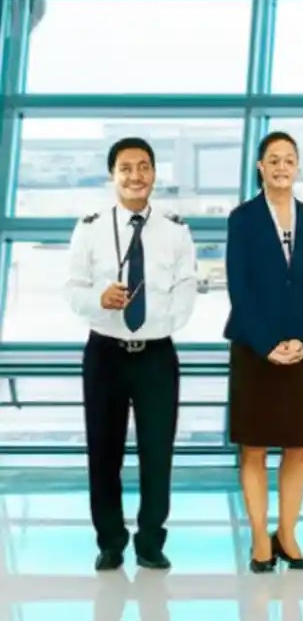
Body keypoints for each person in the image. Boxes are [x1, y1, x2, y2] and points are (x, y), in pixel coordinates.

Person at [65, 137, 197, 571]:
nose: (135, 176)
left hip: (157, 354)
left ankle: (151, 541)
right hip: (105, 353)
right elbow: (73, 288)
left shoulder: (176, 229)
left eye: (143, 167)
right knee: (104, 452)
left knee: (157, 453)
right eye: (126, 168)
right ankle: (110, 541)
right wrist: (98, 300)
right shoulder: (89, 227)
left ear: (154, 174)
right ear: (113, 175)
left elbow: (186, 288)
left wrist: (161, 321)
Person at [224, 131, 303, 573]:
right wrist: (268, 344)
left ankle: (287, 534)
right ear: (260, 167)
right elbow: (240, 288)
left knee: (298, 447)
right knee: (253, 447)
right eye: (274, 160)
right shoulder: (242, 218)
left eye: (289, 159)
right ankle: (259, 539)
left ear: (298, 167)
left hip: (302, 350)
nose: (282, 166)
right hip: (254, 348)